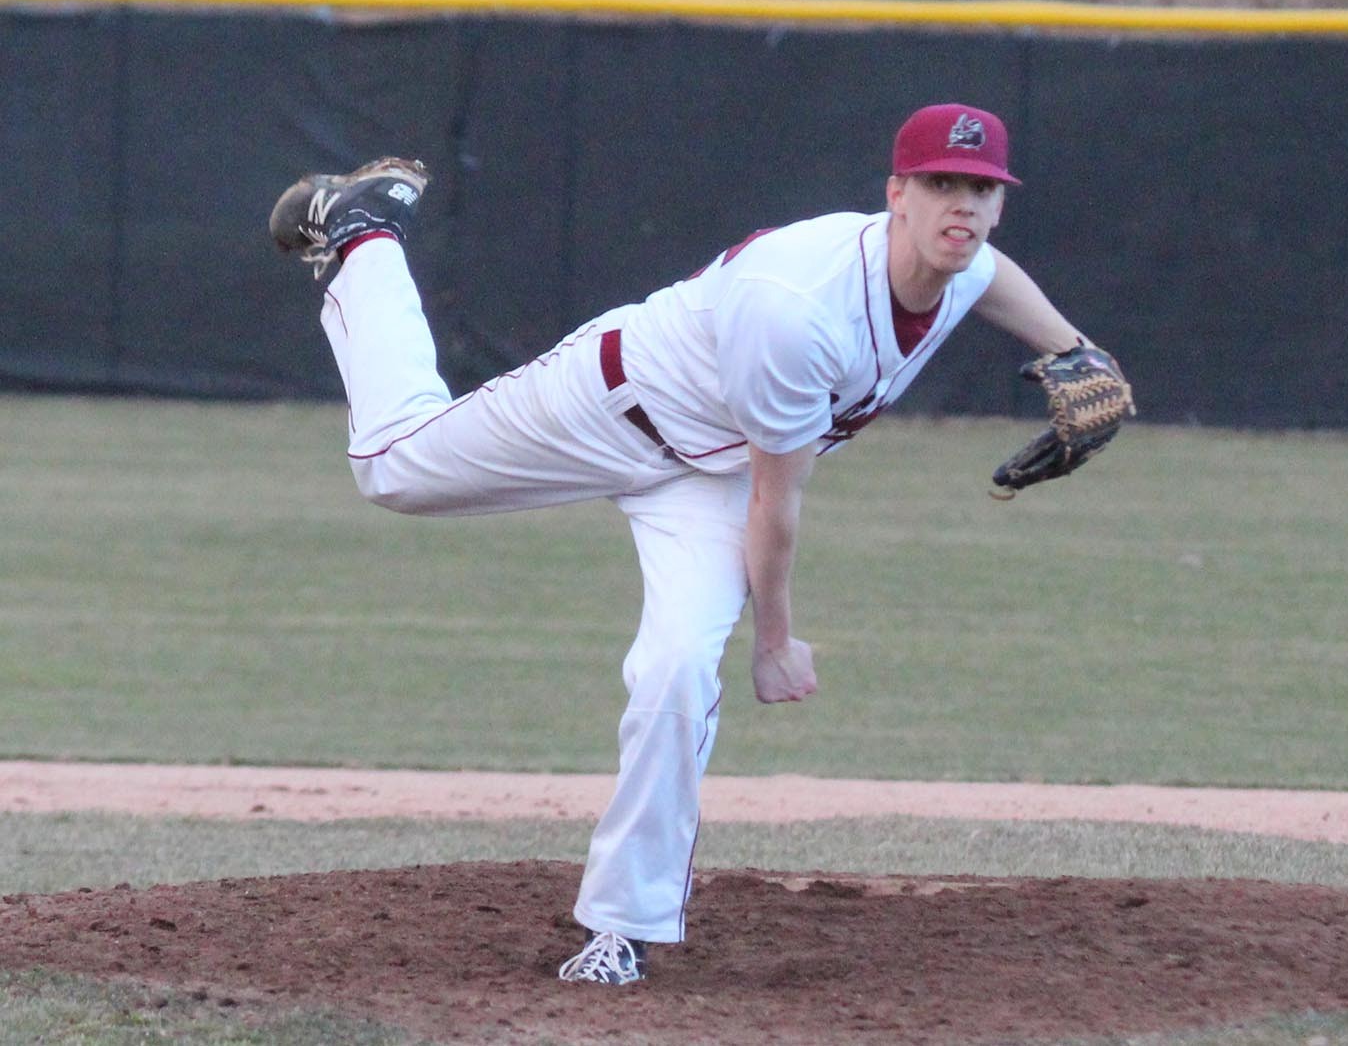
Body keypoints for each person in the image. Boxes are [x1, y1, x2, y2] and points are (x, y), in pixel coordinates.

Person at [269, 102, 1098, 985]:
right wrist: (773, 643)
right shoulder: (798, 311)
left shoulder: (958, 260)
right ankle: (365, 233)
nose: (960, 207)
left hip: (710, 482)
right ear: (895, 193)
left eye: (980, 189)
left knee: (674, 670)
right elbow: (778, 507)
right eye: (939, 184)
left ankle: (618, 929)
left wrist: (1082, 354)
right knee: (394, 468)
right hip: (609, 402)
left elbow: (991, 276)